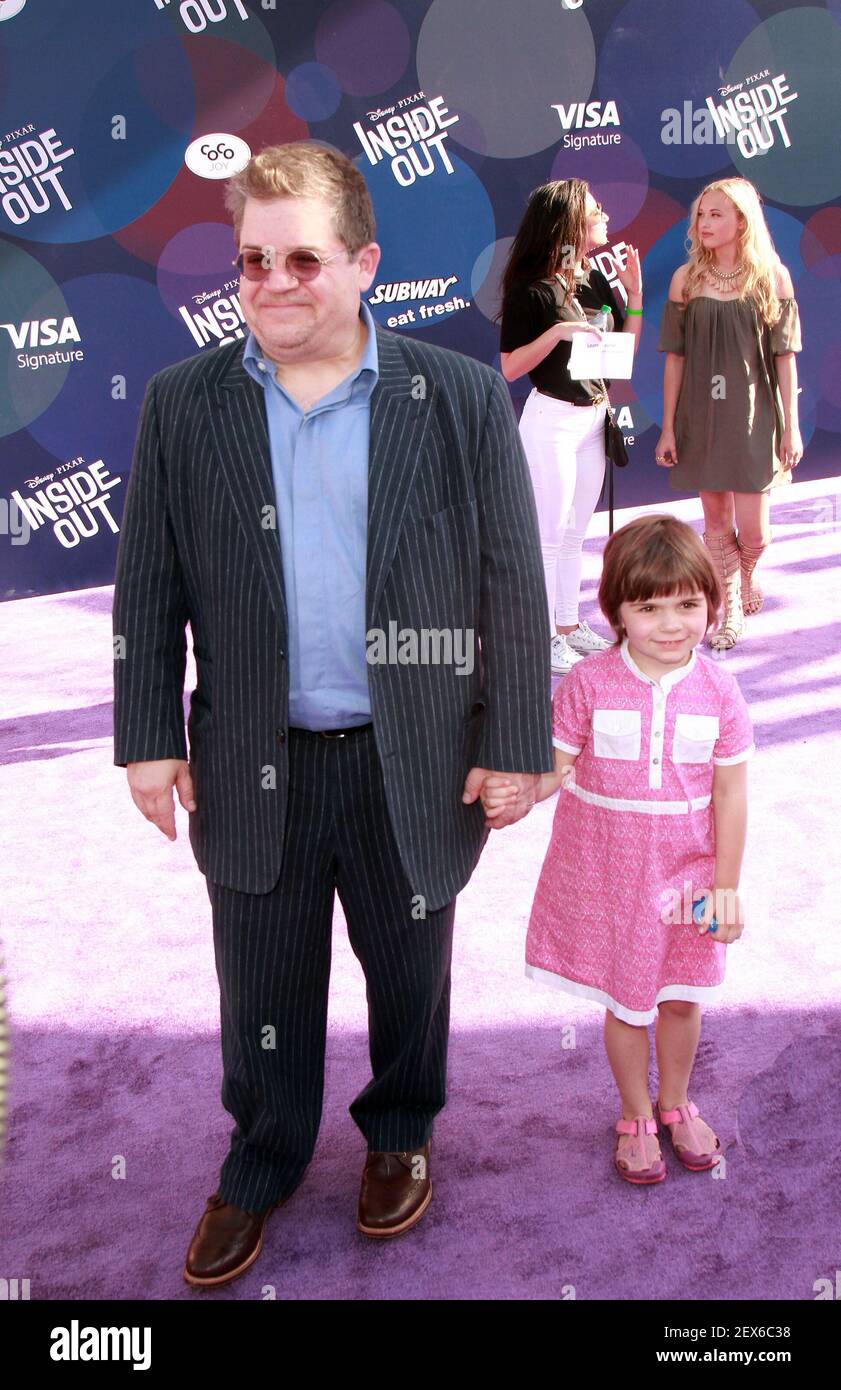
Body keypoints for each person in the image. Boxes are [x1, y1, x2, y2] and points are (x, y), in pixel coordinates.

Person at [112, 141, 553, 1287]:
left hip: (415, 758)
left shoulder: (454, 397)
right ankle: (260, 1158)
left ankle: (400, 1127)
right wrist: (151, 734)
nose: (273, 283)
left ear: (363, 263)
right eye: (253, 260)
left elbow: (511, 576)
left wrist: (516, 743)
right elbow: (150, 581)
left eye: (303, 258)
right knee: (259, 985)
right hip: (253, 759)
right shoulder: (182, 405)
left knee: (413, 971)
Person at [481, 515, 754, 1184]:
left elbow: (730, 796)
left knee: (683, 995)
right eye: (648, 607)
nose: (670, 624)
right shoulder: (587, 683)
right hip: (608, 871)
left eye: (687, 605)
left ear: (709, 604)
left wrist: (725, 883)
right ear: (615, 613)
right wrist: (518, 794)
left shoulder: (720, 690)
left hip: (686, 875)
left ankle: (675, 1101)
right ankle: (634, 1112)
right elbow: (555, 769)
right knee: (627, 1001)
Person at [498, 179, 643, 674]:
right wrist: (558, 331)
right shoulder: (531, 290)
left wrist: (636, 294)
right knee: (547, 533)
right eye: (595, 209)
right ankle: (541, 636)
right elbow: (511, 367)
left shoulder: (591, 281)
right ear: (569, 222)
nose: (605, 214)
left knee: (575, 533)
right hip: (551, 420)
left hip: (592, 417)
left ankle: (567, 623)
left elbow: (621, 356)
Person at [655, 177, 803, 649]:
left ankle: (745, 574)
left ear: (743, 221)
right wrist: (669, 426)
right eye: (701, 214)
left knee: (754, 532)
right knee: (716, 521)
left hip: (754, 415)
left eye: (716, 214)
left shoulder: (772, 278)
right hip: (701, 415)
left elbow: (785, 356)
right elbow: (674, 357)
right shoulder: (686, 279)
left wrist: (791, 426)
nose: (704, 224)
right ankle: (730, 609)